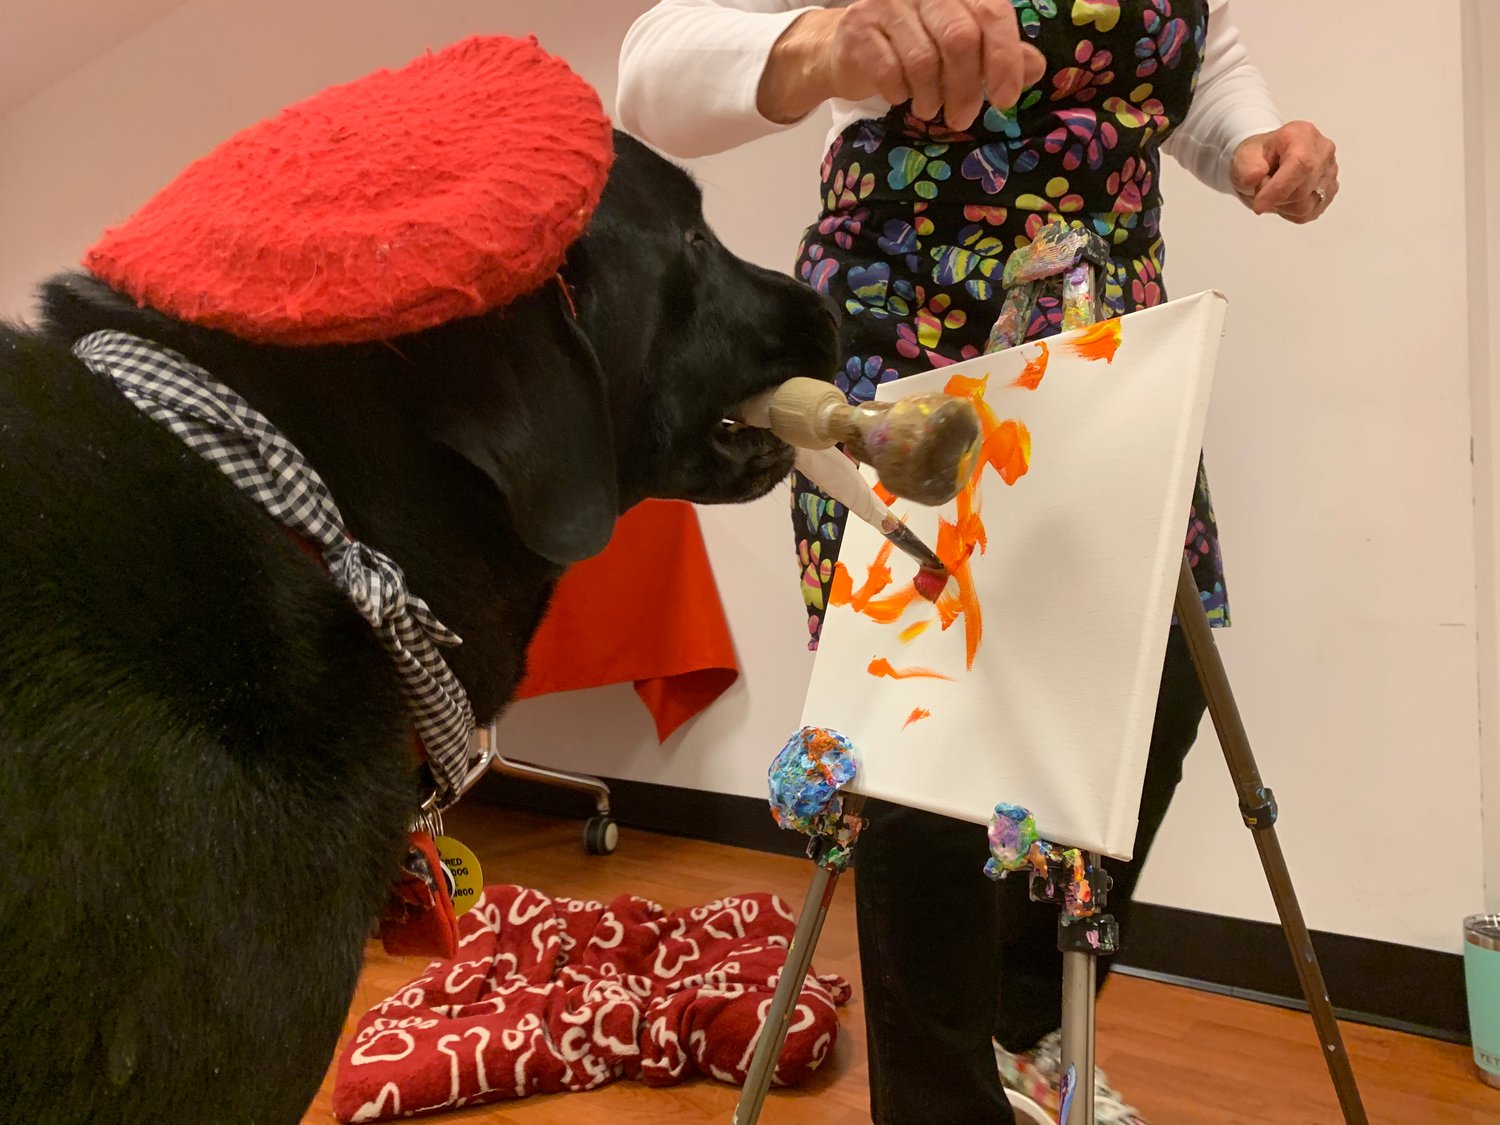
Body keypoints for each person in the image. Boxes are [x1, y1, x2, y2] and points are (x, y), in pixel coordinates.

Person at [618, 3, 1338, 1122]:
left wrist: (1252, 137)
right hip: (911, 327)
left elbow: (1193, 66)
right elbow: (648, 74)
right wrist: (824, 45)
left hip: (1107, 343)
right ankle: (940, 1102)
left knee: (1162, 680)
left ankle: (1019, 1024)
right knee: (923, 738)